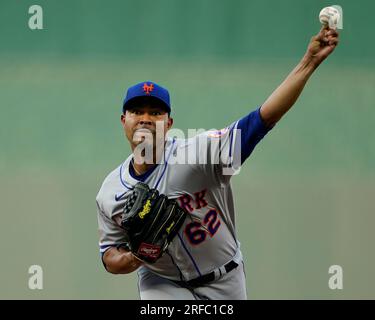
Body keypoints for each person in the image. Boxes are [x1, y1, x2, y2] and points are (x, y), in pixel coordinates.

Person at [96, 26, 339, 300]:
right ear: (123, 121)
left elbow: (262, 119)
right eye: (137, 111)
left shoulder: (199, 154)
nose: (145, 118)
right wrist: (136, 256)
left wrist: (309, 62)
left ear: (170, 124)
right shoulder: (110, 191)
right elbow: (109, 256)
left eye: (156, 112)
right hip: (160, 282)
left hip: (225, 278)